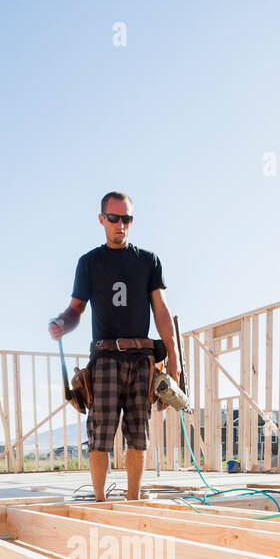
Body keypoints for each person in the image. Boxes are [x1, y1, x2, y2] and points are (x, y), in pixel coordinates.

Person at [48, 191, 179, 502]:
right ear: (102, 220)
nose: (121, 225)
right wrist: (62, 324)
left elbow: (160, 310)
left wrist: (173, 358)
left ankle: (133, 500)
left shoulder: (148, 261)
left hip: (143, 359)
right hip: (105, 359)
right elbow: (76, 309)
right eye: (114, 219)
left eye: (127, 219)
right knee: (100, 436)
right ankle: (100, 502)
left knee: (138, 435)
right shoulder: (90, 263)